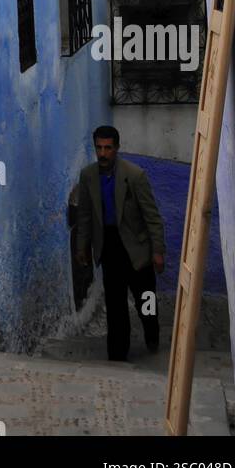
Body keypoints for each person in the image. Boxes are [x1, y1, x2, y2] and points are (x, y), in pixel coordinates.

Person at [76, 125, 165, 360]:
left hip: (136, 247)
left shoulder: (135, 176)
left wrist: (157, 251)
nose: (103, 153)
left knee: (145, 299)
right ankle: (117, 353)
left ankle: (151, 332)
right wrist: (82, 246)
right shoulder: (88, 176)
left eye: (108, 148)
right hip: (109, 245)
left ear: (117, 148)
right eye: (99, 148)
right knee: (115, 304)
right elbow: (85, 214)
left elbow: (152, 216)